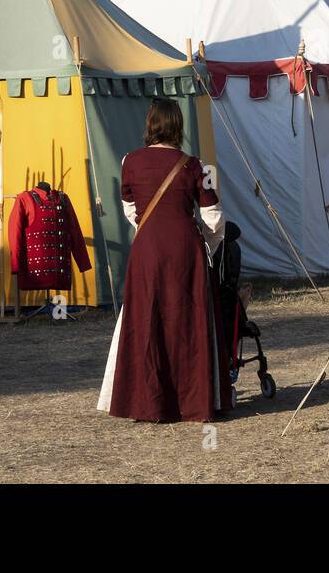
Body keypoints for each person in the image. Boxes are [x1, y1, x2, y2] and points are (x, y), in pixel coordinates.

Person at [97, 98, 232, 422]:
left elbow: (131, 210)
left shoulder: (130, 161)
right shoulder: (195, 165)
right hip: (186, 252)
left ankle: (147, 403)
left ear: (150, 124)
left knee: (146, 321)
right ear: (177, 126)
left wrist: (150, 229)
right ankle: (194, 403)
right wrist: (207, 248)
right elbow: (214, 218)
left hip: (147, 252)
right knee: (189, 322)